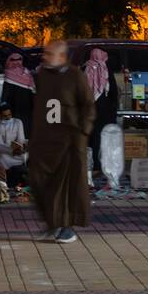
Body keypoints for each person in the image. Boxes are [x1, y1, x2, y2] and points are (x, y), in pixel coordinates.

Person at [29, 39, 95, 244]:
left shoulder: (75, 75)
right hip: (45, 141)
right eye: (45, 53)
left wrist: (82, 132)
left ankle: (66, 228)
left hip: (69, 140)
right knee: (38, 181)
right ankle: (53, 223)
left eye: (50, 53)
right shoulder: (42, 75)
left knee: (64, 186)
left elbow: (88, 105)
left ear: (62, 57)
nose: (45, 56)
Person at [82, 47, 119, 171]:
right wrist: (114, 106)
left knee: (91, 138)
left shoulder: (84, 68)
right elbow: (113, 90)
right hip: (105, 111)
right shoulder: (106, 69)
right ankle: (102, 165)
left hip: (88, 110)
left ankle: (91, 166)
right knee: (104, 138)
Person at [0, 101, 29, 186]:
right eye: (5, 116)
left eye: (9, 115)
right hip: (2, 154)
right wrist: (11, 150)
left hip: (17, 153)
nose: (8, 118)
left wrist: (20, 148)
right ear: (0, 115)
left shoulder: (18, 122)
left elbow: (21, 139)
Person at [0, 51, 35, 133]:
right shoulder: (27, 73)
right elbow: (33, 91)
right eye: (13, 60)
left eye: (18, 59)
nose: (16, 62)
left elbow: (5, 94)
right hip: (19, 108)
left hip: (20, 108)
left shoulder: (8, 73)